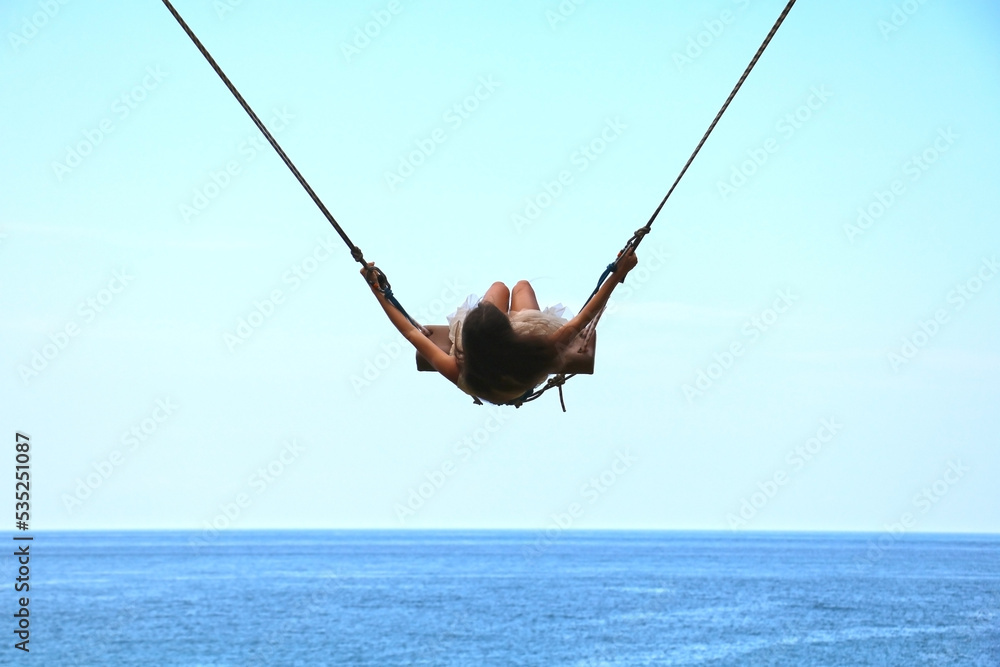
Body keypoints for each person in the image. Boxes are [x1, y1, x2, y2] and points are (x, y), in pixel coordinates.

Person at [362, 249, 638, 404]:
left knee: (499, 288)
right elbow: (583, 317)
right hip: (522, 374)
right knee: (517, 287)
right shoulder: (537, 355)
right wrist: (618, 273)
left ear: (467, 343)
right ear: (508, 333)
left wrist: (377, 289)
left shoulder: (462, 371)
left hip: (498, 377)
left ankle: (499, 306)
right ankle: (510, 305)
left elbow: (409, 332)